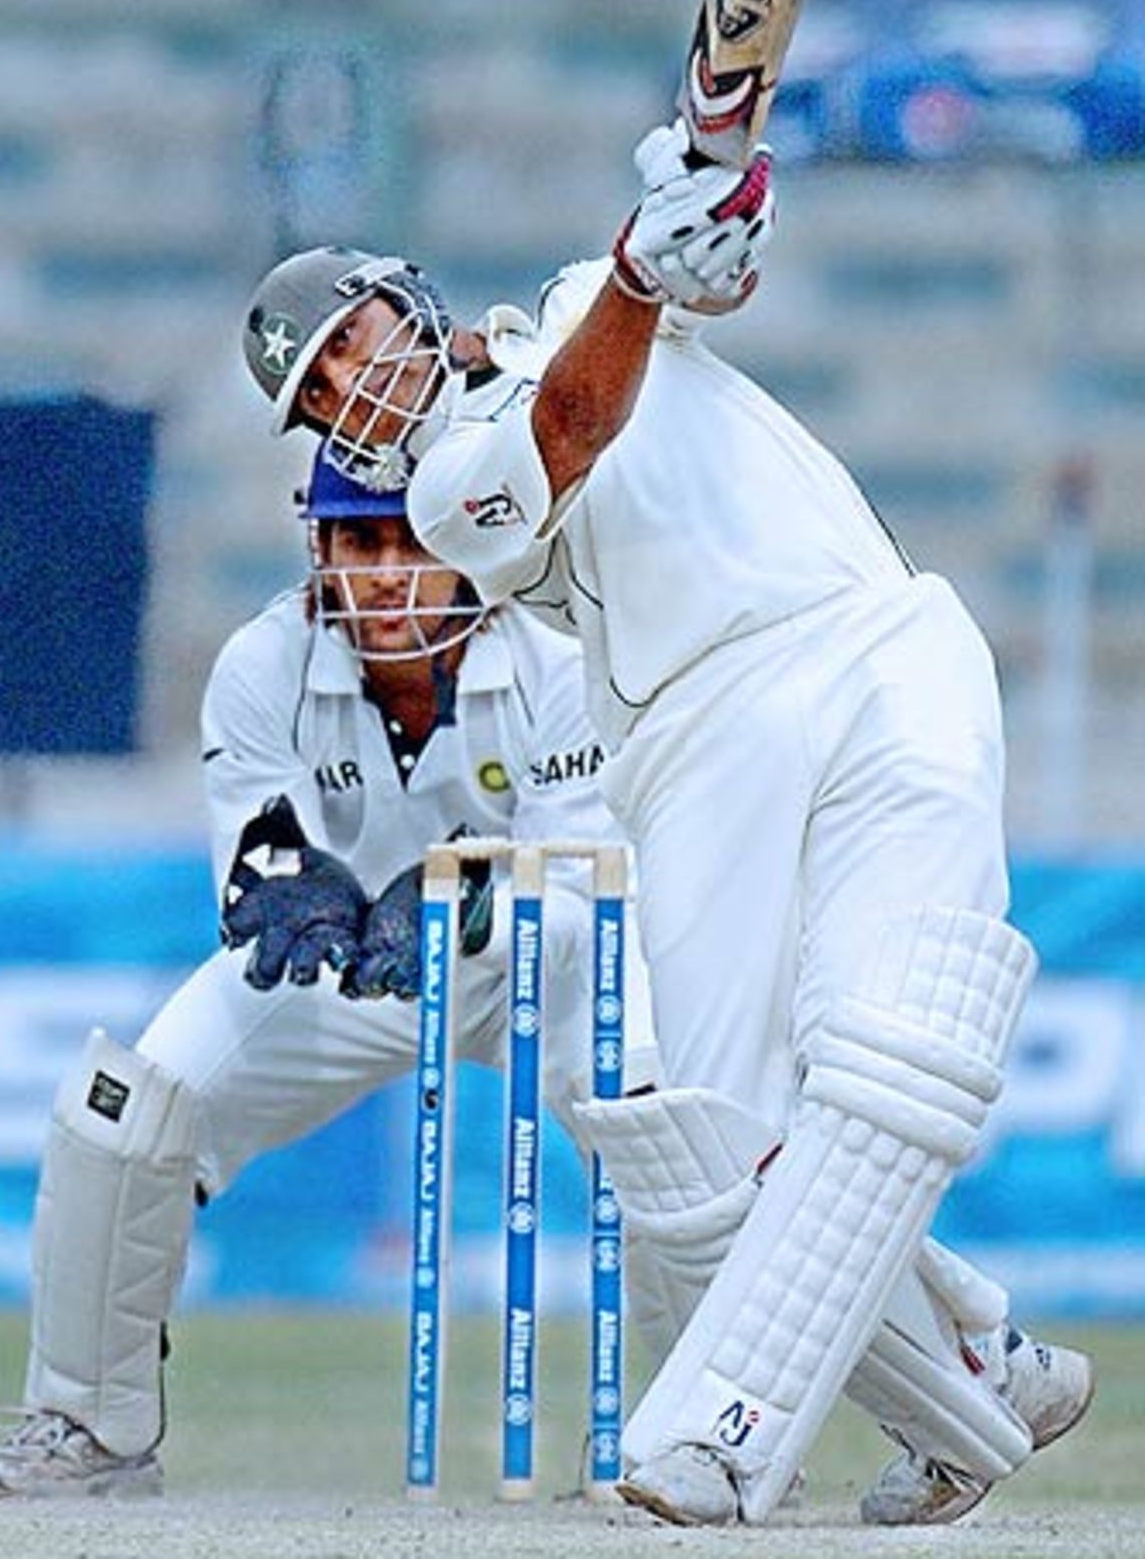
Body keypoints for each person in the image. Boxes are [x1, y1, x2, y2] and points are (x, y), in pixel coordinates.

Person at [233, 120, 1093, 1528]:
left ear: (409, 294)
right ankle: (977, 1370)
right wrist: (645, 267)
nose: (352, 379)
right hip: (700, 729)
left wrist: (712, 207)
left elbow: (713, 280)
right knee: (727, 1146)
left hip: (885, 634)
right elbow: (572, 422)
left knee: (899, 1042)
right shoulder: (452, 497)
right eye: (320, 389)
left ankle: (727, 1433)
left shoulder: (588, 292)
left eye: (349, 334)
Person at [0, 445, 654, 1499]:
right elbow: (256, 865)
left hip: (525, 967)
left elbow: (581, 901)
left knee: (673, 1119)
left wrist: (465, 909)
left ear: (471, 546)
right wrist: (294, 889)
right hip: (342, 969)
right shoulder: (263, 662)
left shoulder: (559, 664)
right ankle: (89, 1427)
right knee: (123, 1112)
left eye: (415, 543)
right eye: (359, 542)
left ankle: (688, 1436)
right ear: (318, 548)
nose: (386, 574)